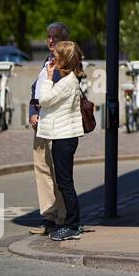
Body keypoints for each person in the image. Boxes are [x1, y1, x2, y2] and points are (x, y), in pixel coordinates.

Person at [35, 40, 86, 241]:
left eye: (56, 57)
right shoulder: (69, 80)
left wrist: (48, 78)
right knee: (64, 181)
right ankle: (72, 224)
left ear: (64, 59)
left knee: (65, 182)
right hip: (62, 136)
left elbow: (44, 100)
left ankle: (73, 225)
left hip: (65, 138)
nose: (53, 60)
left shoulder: (67, 82)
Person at [28, 22, 69, 235]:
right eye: (48, 37)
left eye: (55, 37)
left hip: (58, 124)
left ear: (64, 39)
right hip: (41, 122)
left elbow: (58, 94)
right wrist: (32, 113)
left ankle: (64, 217)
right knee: (42, 169)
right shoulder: (47, 61)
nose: (51, 40)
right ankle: (49, 216)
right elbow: (36, 90)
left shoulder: (68, 62)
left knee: (60, 173)